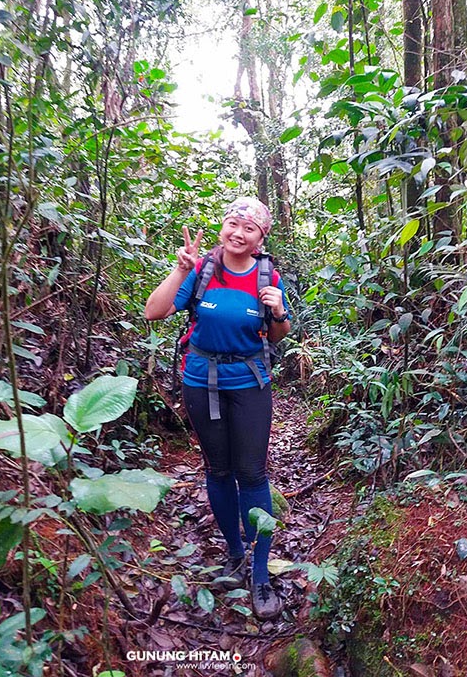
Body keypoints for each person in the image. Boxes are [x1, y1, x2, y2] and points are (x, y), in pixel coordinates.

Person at [144, 197, 291, 620]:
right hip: (200, 382)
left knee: (253, 474)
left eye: (250, 229)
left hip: (249, 384)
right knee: (218, 471)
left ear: (261, 238)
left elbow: (277, 335)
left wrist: (279, 310)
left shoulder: (267, 275)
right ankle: (234, 552)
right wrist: (179, 269)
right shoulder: (202, 270)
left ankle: (260, 573)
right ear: (223, 227)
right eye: (233, 224)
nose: (238, 233)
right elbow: (154, 311)